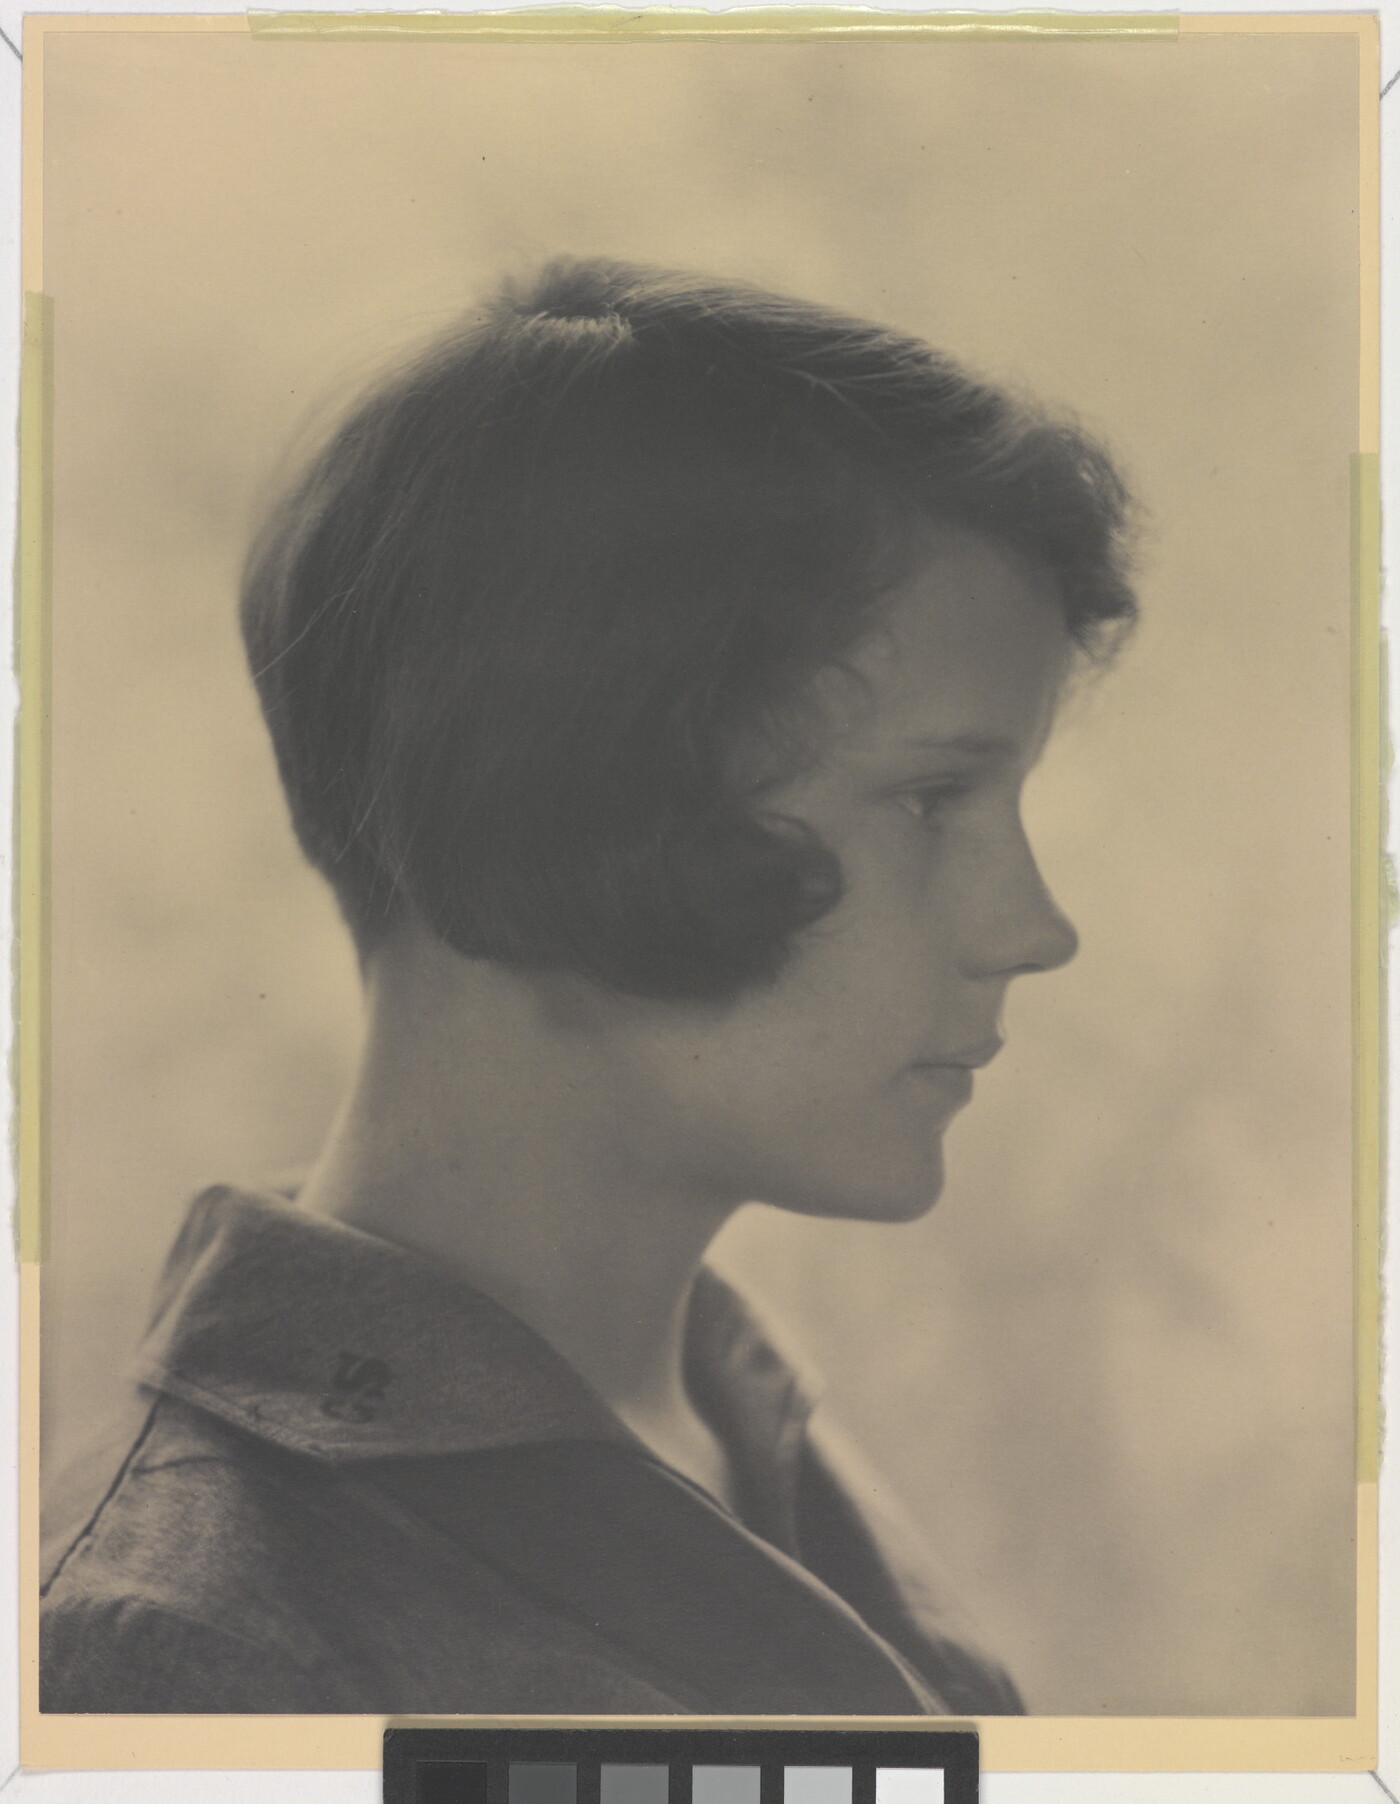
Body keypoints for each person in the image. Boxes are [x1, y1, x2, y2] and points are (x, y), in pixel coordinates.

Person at [40, 257, 1137, 1715]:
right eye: (933, 804)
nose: (1035, 927)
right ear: (559, 809)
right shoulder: (186, 1650)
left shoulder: (734, 1427)